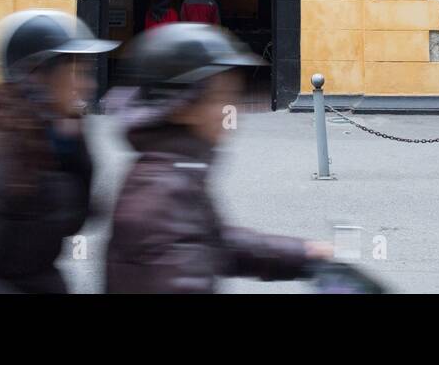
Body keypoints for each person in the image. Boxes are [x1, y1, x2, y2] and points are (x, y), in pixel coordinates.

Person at [105, 23, 331, 293]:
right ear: (181, 108)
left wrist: (302, 256)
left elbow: (211, 242)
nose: (230, 111)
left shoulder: (174, 172)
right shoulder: (164, 193)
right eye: (220, 97)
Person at [0, 10, 118, 293]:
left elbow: (75, 219)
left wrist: (76, 151)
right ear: (38, 76)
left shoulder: (49, 137)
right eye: (76, 72)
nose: (88, 85)